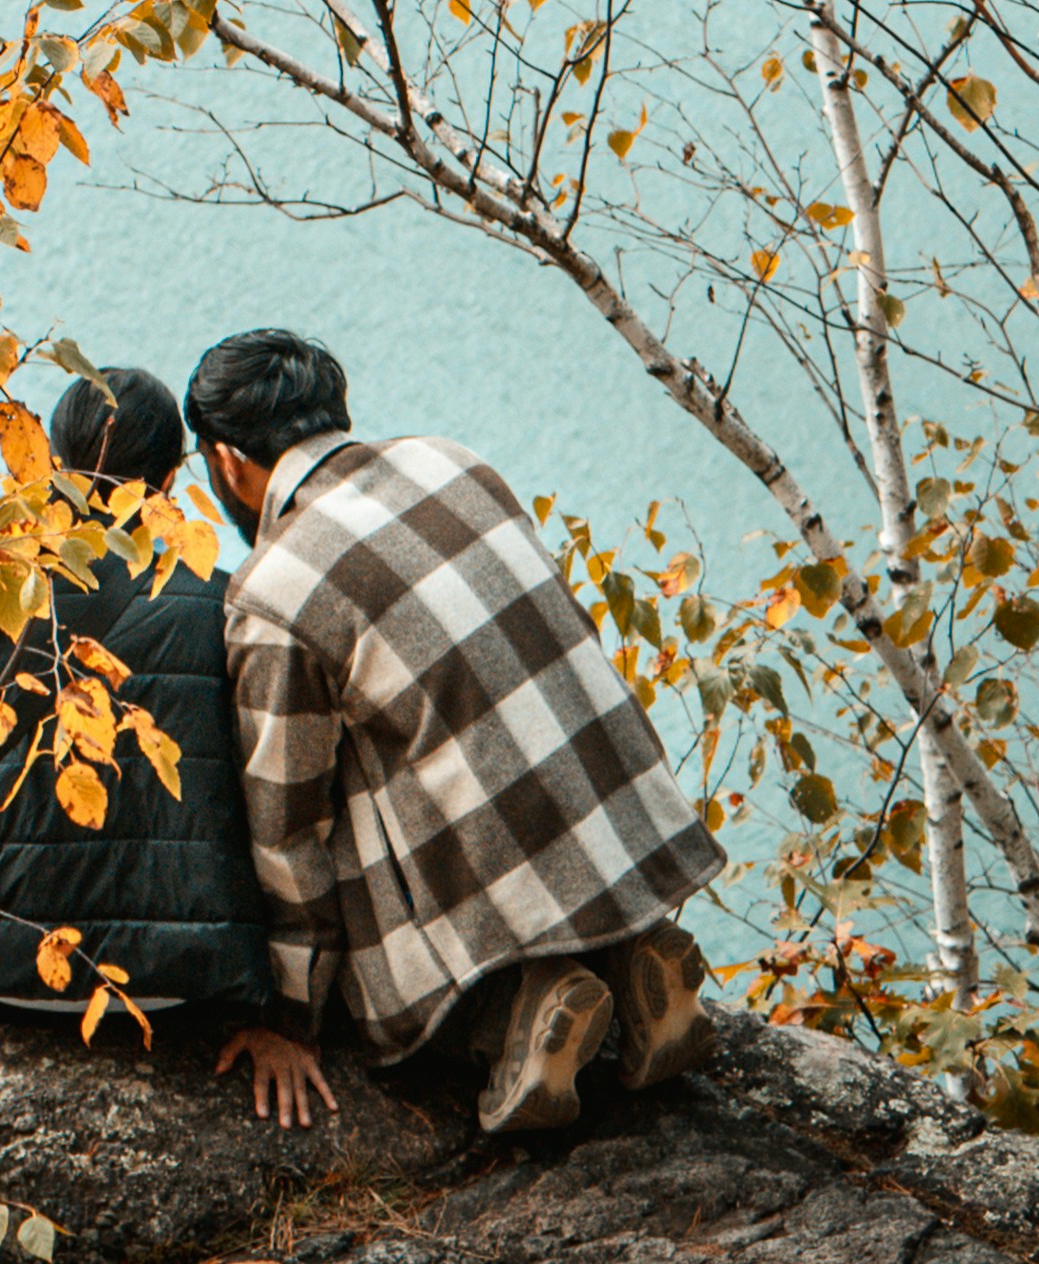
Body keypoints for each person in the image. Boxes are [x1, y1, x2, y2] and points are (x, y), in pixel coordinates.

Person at [184, 324, 715, 1142]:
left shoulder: (275, 588)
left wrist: (290, 1010)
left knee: (352, 779)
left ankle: (516, 1013)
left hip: (494, 884)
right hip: (621, 841)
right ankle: (635, 952)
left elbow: (286, 827)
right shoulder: (452, 460)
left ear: (224, 460)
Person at [0, 369, 334, 1126]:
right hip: (184, 984)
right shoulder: (232, 603)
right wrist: (285, 1006)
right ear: (169, 478)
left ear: (49, 465)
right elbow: (272, 805)